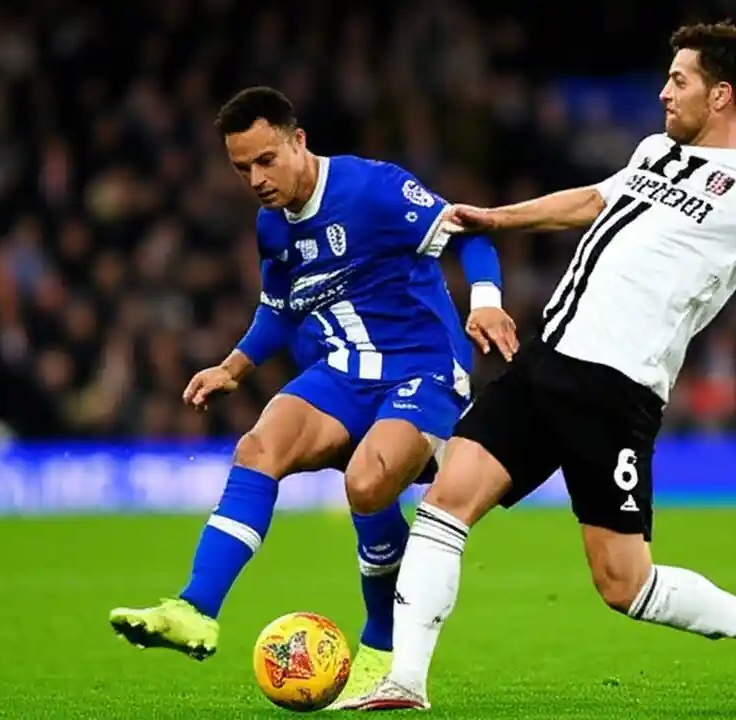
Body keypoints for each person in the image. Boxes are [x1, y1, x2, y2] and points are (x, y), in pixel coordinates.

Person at [334, 22, 736, 710]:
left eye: (679, 80)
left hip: (616, 393)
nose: (663, 92)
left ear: (722, 95)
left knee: (624, 585)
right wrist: (499, 220)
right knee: (445, 503)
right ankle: (406, 680)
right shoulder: (654, 152)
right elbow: (593, 201)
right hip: (545, 364)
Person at [108, 87, 518, 700]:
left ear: (298, 141)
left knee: (366, 481)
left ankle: (382, 646)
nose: (256, 179)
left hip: (421, 369)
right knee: (258, 446)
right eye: (242, 167)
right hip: (341, 372)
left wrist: (486, 302)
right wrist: (232, 369)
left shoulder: (372, 189)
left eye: (266, 159)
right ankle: (194, 608)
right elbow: (278, 308)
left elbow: (469, 229)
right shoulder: (271, 226)